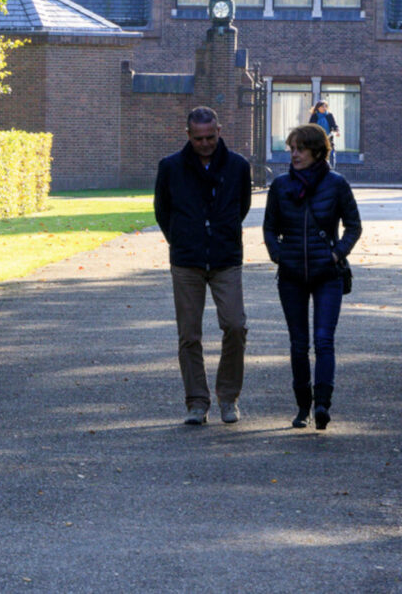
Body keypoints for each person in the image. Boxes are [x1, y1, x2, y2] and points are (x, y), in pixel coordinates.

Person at [153, 105, 254, 425]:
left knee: (235, 325)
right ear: (188, 135)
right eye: (198, 139)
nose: (205, 143)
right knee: (189, 334)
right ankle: (197, 402)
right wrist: (181, 239)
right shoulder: (170, 167)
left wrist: (223, 234)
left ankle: (228, 397)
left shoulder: (238, 166)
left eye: (210, 137)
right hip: (187, 260)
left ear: (219, 131)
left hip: (226, 259)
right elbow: (162, 211)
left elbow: (242, 206)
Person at [263, 122, 362, 430]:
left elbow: (354, 226)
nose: (294, 154)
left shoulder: (337, 184)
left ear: (318, 152)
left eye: (301, 149)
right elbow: (269, 227)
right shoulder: (281, 185)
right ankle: (302, 407)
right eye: (292, 149)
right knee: (298, 344)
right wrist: (278, 254)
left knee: (323, 340)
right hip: (291, 274)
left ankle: (322, 405)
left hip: (327, 274)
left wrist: (336, 253)